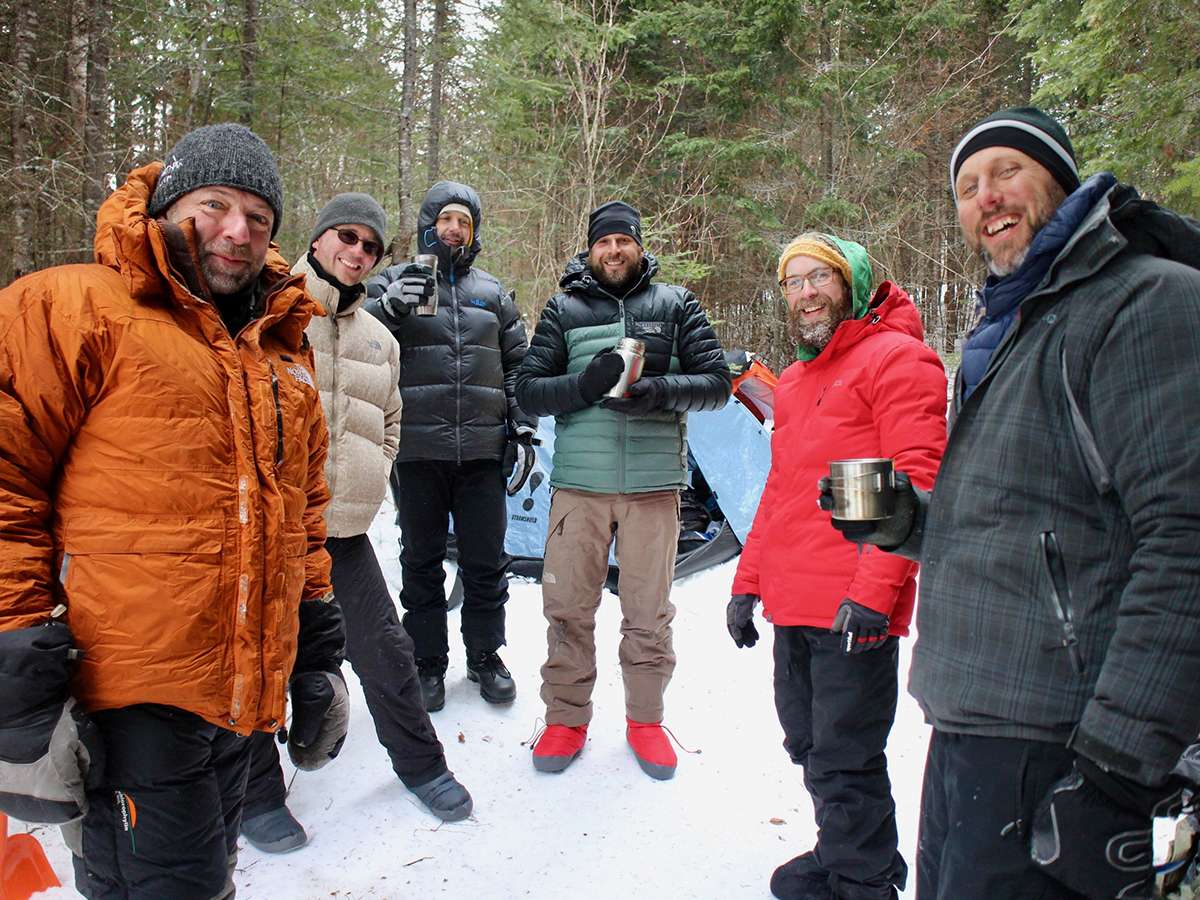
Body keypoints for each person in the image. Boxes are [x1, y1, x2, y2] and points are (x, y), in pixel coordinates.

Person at [827, 107, 1200, 899]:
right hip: (972, 723)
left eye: (1007, 172)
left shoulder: (1143, 302)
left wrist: (1117, 768)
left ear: (1060, 180)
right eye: (967, 186)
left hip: (1063, 740)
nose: (986, 197)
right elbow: (1022, 529)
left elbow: (1186, 538)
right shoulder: (1015, 324)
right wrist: (904, 521)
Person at [0, 123, 348, 899]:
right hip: (129, 696)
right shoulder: (71, 308)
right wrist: (17, 655)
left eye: (259, 218)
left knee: (210, 875)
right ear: (163, 207)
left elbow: (303, 516)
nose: (237, 230)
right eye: (214, 204)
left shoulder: (281, 349)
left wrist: (318, 649)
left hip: (239, 695)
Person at [239, 193, 473, 855]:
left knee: (387, 652)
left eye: (371, 246)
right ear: (317, 241)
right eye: (346, 237)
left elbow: (390, 426)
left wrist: (369, 475)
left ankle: (422, 765)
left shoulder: (379, 337)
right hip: (271, 531)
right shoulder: (273, 312)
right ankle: (257, 796)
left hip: (341, 532)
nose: (358, 252)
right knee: (264, 660)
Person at [727, 233, 947, 900]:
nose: (804, 293)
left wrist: (877, 593)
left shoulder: (898, 360)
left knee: (846, 756)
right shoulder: (795, 380)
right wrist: (747, 585)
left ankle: (865, 883)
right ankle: (851, 852)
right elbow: (783, 490)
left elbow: (916, 482)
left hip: (854, 606)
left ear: (850, 281)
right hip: (794, 601)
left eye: (816, 277)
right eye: (792, 282)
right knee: (809, 746)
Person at [515, 200, 731, 780]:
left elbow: (718, 384)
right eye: (603, 242)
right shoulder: (564, 308)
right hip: (579, 490)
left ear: (639, 246)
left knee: (648, 613)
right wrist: (584, 384)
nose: (614, 251)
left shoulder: (675, 303)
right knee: (567, 608)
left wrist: (659, 390)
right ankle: (565, 717)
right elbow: (528, 391)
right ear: (590, 250)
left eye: (624, 241)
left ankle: (646, 720)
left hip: (653, 488)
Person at [364, 181, 535, 712]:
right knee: (421, 560)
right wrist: (390, 307)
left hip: (483, 450)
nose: (455, 229)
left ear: (473, 231)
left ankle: (486, 655)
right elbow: (359, 344)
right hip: (416, 449)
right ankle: (427, 660)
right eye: (446, 220)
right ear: (428, 225)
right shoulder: (392, 282)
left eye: (464, 221)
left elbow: (518, 368)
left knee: (487, 561)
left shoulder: (492, 292)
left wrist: (523, 428)